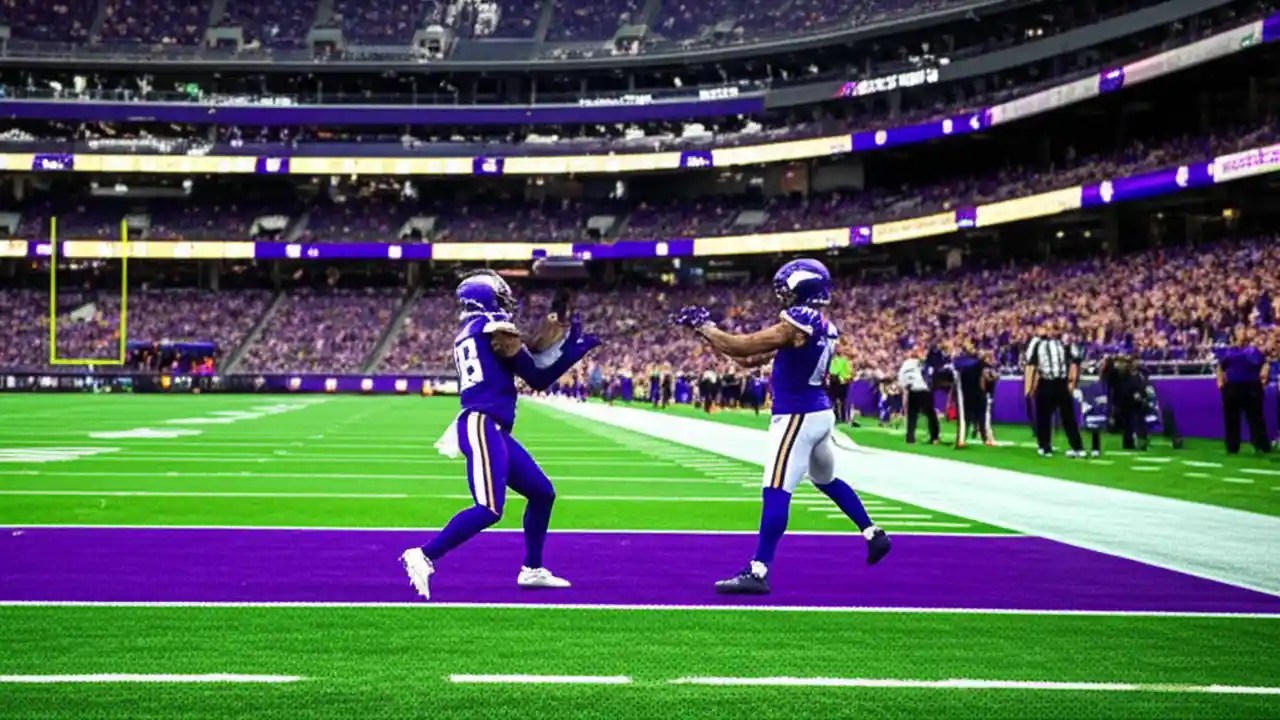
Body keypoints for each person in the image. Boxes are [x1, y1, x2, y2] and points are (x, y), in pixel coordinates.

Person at [671, 258, 890, 595]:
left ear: (800, 289)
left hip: (797, 415)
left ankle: (758, 570)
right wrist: (706, 331)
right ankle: (873, 533)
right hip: (818, 413)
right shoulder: (823, 325)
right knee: (825, 479)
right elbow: (746, 358)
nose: (782, 298)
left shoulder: (800, 320)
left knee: (775, 489)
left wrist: (706, 326)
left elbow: (742, 345)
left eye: (786, 290)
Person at [400, 271, 600, 600]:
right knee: (490, 508)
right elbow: (536, 376)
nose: (508, 300)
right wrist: (573, 352)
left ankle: (532, 568)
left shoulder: (473, 330)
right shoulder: (493, 327)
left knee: (542, 493)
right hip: (482, 423)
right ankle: (423, 555)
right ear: (489, 298)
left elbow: (528, 352)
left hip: (492, 426)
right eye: (502, 294)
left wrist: (563, 336)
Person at [1023, 323, 1085, 457]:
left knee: (1068, 417)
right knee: (1043, 417)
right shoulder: (1037, 342)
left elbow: (1076, 358)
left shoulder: (1064, 341)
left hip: (1061, 382)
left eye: (1054, 328)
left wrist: (1073, 381)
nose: (1051, 331)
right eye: (1048, 328)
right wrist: (1029, 386)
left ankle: (1077, 447)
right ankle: (1045, 446)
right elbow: (1030, 362)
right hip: (1046, 382)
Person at [1216, 330, 1272, 454]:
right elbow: (1220, 366)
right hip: (1233, 386)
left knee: (1255, 418)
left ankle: (1261, 444)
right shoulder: (1229, 352)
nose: (1242, 333)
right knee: (1231, 418)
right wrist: (1220, 381)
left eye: (1243, 331)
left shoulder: (1254, 351)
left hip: (1251, 386)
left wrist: (1264, 376)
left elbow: (1264, 363)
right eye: (1239, 331)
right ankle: (1232, 446)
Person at [951, 339, 993, 448]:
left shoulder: (979, 360)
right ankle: (961, 439)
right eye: (970, 345)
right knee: (965, 418)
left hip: (979, 392)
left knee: (982, 416)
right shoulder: (960, 359)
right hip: (965, 393)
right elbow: (965, 367)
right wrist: (981, 359)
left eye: (974, 346)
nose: (972, 348)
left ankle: (986, 438)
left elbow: (990, 369)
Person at [898, 345, 939, 444]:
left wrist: (904, 386)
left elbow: (901, 377)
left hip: (913, 390)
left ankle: (910, 438)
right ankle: (934, 437)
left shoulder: (906, 363)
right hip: (923, 391)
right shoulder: (924, 363)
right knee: (930, 414)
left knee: (913, 415)